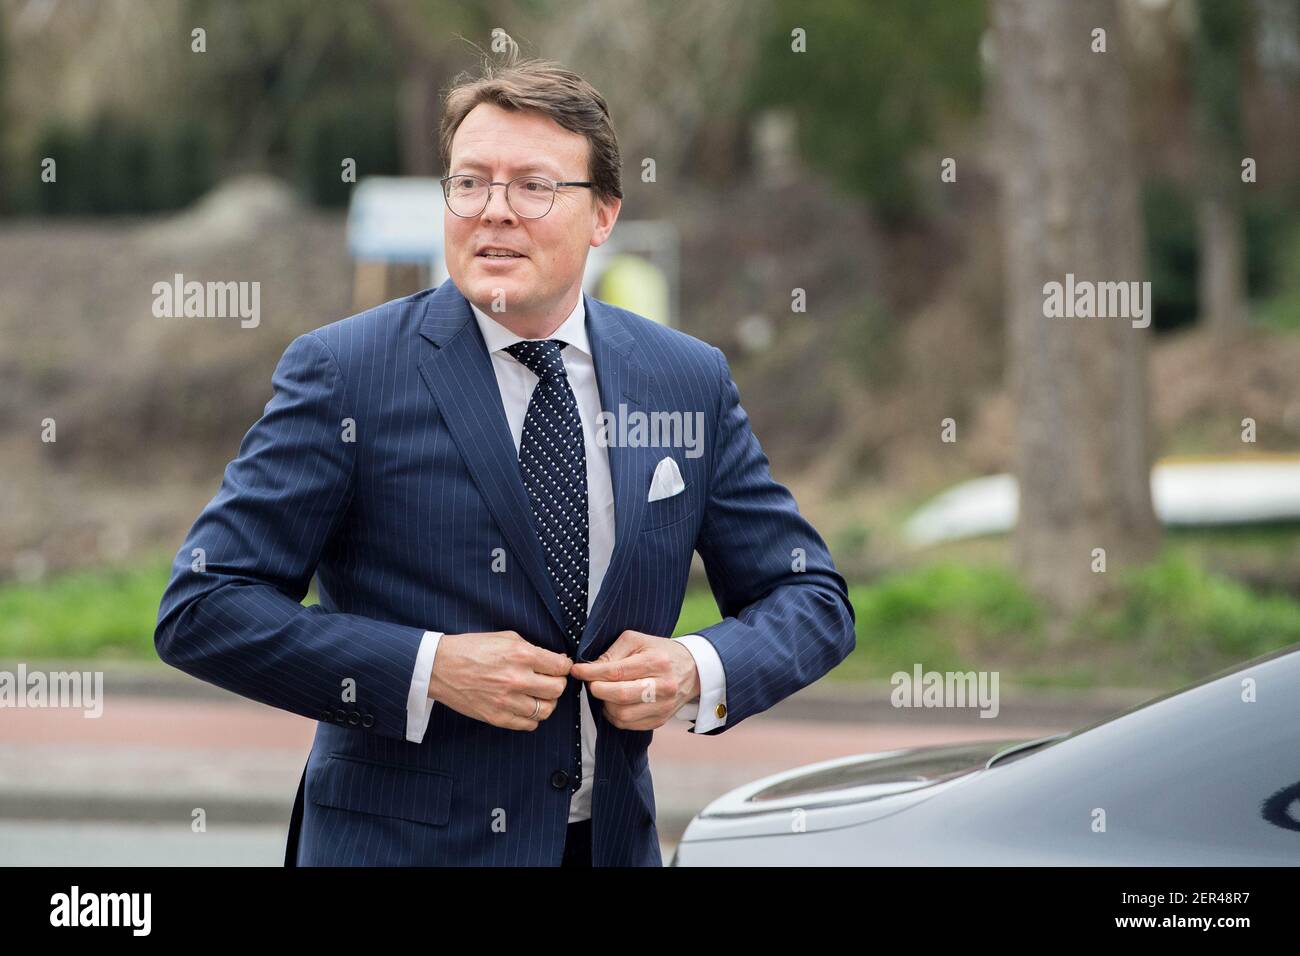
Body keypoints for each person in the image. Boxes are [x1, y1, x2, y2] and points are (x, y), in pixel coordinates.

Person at [154, 51, 855, 867]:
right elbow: (204, 606)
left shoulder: (685, 379)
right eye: (469, 182)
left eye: (533, 185)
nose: (494, 211)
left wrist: (695, 667)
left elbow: (810, 596)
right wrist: (428, 668)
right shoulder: (346, 373)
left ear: (603, 215)